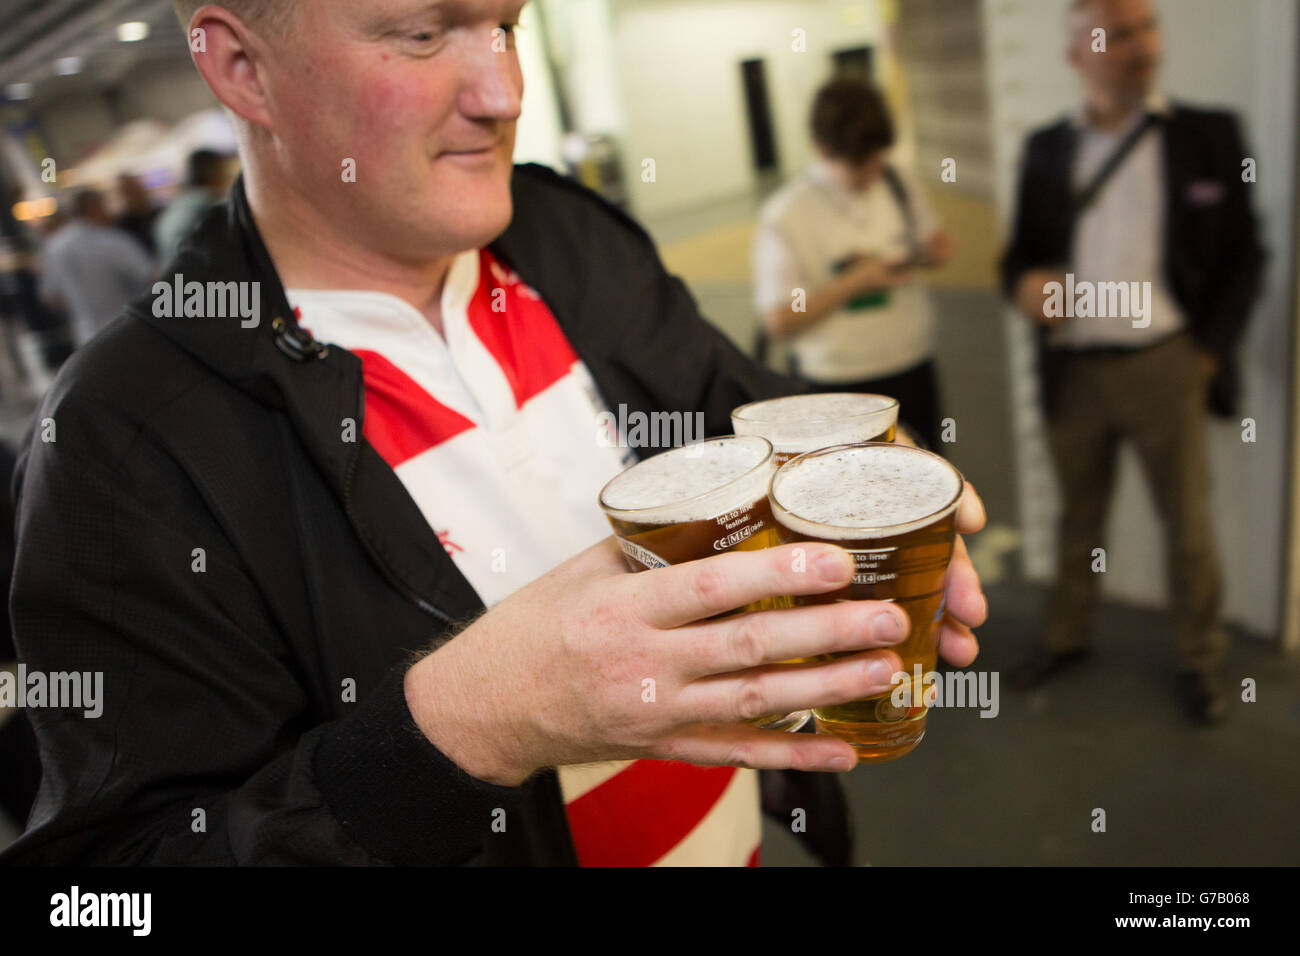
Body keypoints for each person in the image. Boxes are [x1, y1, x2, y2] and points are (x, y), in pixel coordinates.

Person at [2, 0, 987, 866]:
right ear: (241, 67)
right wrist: (467, 720)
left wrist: (846, 461)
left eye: (508, 25)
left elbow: (729, 398)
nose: (504, 91)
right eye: (425, 32)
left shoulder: (567, 234)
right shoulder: (125, 441)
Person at [1000, 0, 1264, 722]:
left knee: (1189, 525)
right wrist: (1021, 284)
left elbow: (1246, 256)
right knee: (1076, 520)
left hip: (1168, 365)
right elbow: (1016, 257)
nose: (1140, 44)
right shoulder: (1046, 149)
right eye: (1116, 33)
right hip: (1075, 370)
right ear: (1076, 54)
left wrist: (1209, 350)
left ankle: (1199, 657)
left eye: (1147, 26)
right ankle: (1066, 636)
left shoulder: (1209, 137)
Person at [754, 76, 954, 451]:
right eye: (860, 164)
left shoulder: (896, 181)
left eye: (879, 157)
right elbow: (778, 321)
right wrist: (853, 283)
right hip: (834, 384)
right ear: (822, 149)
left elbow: (936, 241)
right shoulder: (786, 214)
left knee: (926, 484)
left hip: (911, 365)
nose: (872, 172)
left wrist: (927, 254)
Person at [38, 189, 155, 349]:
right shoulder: (113, 241)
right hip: (130, 331)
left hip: (87, 338)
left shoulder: (54, 247)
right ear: (95, 208)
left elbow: (52, 298)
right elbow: (151, 277)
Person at [152, 148, 235, 262]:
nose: (227, 176)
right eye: (223, 170)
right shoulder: (205, 203)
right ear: (213, 172)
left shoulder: (180, 203)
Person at [114, 173, 161, 255]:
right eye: (129, 191)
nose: (135, 194)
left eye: (136, 188)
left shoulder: (159, 212)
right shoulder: (123, 225)